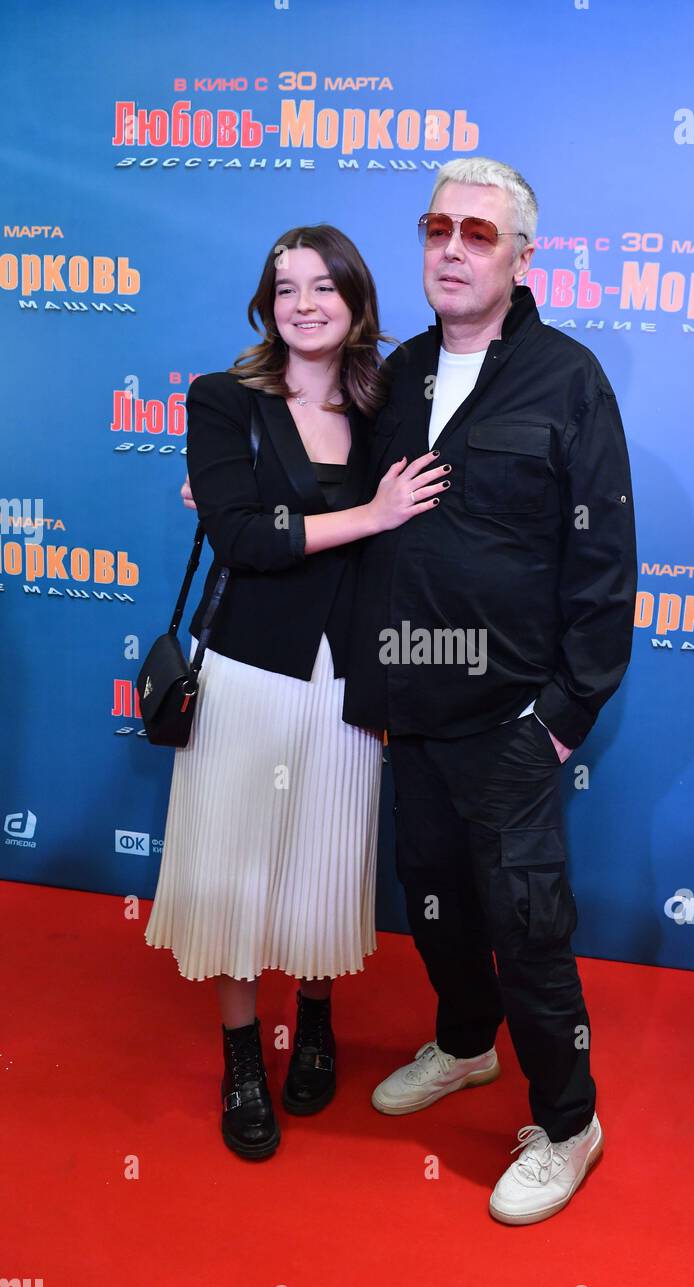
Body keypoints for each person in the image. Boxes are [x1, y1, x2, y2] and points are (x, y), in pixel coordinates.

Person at [341, 157, 638, 1225]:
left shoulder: (567, 379)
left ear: (521, 255)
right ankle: (466, 1044)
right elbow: (340, 494)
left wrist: (559, 720)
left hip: (513, 721)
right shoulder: (398, 376)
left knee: (527, 923)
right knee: (431, 900)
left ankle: (568, 1123)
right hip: (409, 711)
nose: (452, 247)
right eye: (436, 227)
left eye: (478, 230)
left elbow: (603, 570)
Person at [145, 224, 448, 1161]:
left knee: (326, 860)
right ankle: (243, 1059)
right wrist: (367, 514)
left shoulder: (390, 404)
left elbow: (418, 529)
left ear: (356, 301)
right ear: (265, 305)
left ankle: (315, 1025)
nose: (304, 303)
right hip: (246, 671)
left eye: (323, 286)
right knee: (234, 869)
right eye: (285, 289)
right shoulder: (222, 400)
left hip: (350, 676)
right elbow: (242, 537)